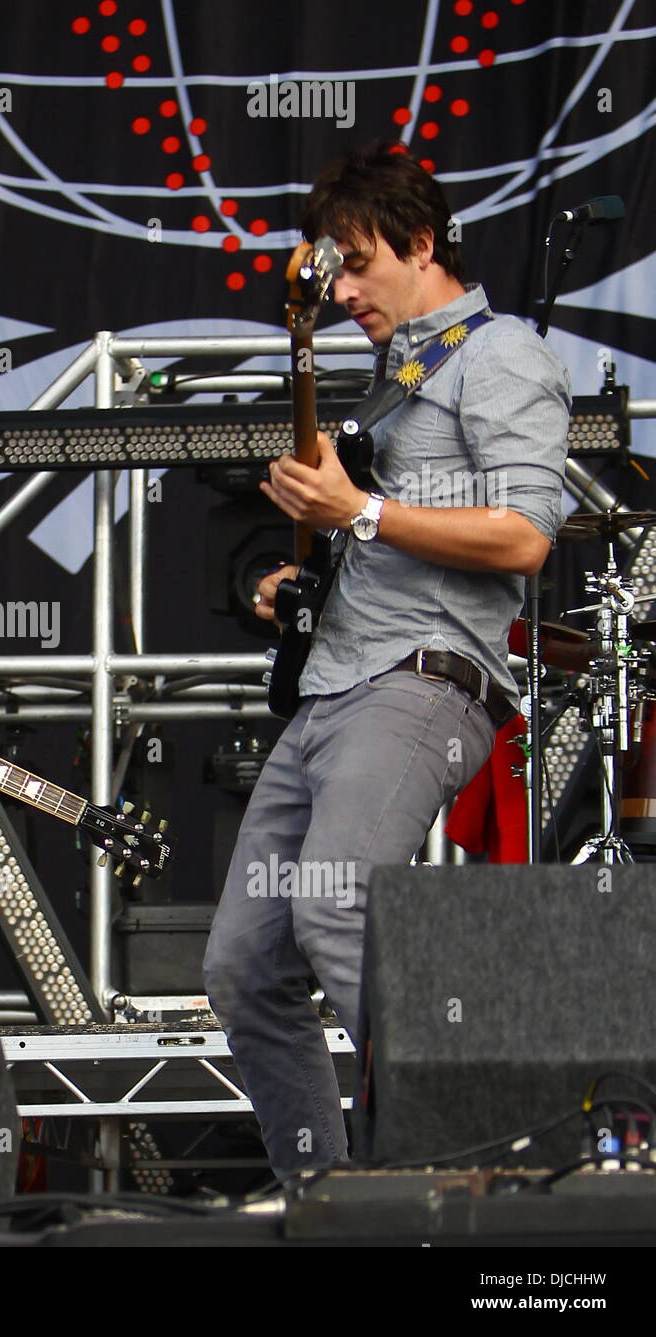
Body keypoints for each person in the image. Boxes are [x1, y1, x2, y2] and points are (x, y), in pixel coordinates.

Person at [202, 144, 570, 1182]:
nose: (345, 290)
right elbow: (376, 536)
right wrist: (301, 581)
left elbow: (524, 537)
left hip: (418, 686)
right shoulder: (393, 374)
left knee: (333, 901)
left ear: (421, 243)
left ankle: (483, 1153)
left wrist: (356, 507)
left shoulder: (497, 356)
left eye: (359, 264)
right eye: (333, 272)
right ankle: (326, 1190)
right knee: (241, 964)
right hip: (329, 690)